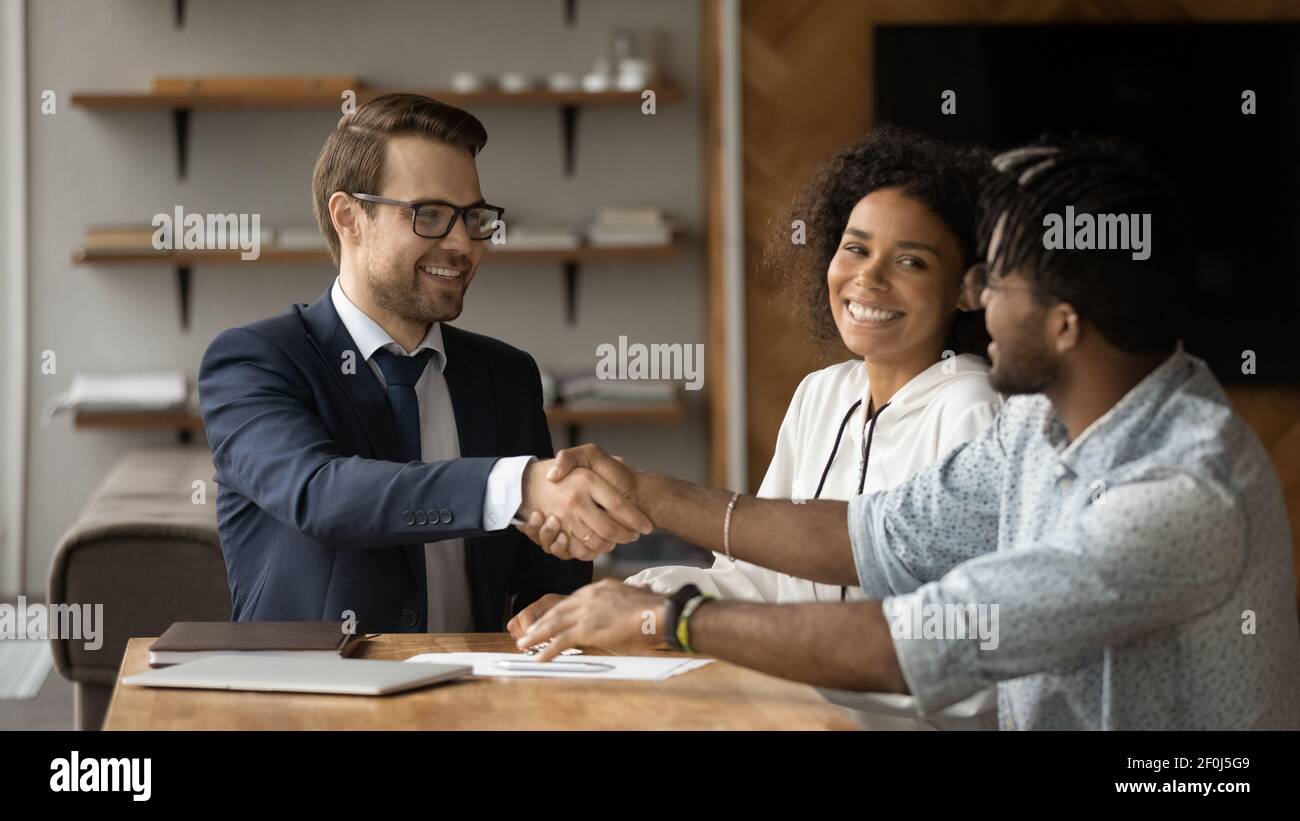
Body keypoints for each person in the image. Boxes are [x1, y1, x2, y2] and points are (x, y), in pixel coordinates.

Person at [515, 133, 1300, 730]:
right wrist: (641, 489)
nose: (978, 299)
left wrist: (670, 617)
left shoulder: (1177, 495)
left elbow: (917, 641)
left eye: (993, 279)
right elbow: (873, 534)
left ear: (1063, 323)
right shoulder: (1039, 422)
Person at [510, 126, 1003, 728]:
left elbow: (964, 650)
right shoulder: (821, 394)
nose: (869, 279)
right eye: (855, 248)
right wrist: (615, 604)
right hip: (791, 714)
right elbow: (756, 581)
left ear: (965, 289)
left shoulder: (974, 410)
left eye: (911, 261)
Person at [197, 93, 651, 635]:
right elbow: (320, 494)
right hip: (308, 705)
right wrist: (518, 485)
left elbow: (545, 572)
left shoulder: (507, 376)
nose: (463, 243)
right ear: (349, 218)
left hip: (475, 700)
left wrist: (553, 597)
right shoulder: (256, 360)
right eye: (429, 215)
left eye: (473, 217)